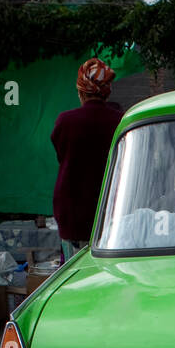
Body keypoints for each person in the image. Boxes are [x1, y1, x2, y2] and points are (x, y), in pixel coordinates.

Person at [51, 59, 122, 261]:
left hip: (72, 214)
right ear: (106, 91)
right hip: (110, 212)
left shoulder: (65, 121)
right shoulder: (119, 121)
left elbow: (61, 154)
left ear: (81, 91)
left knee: (74, 271)